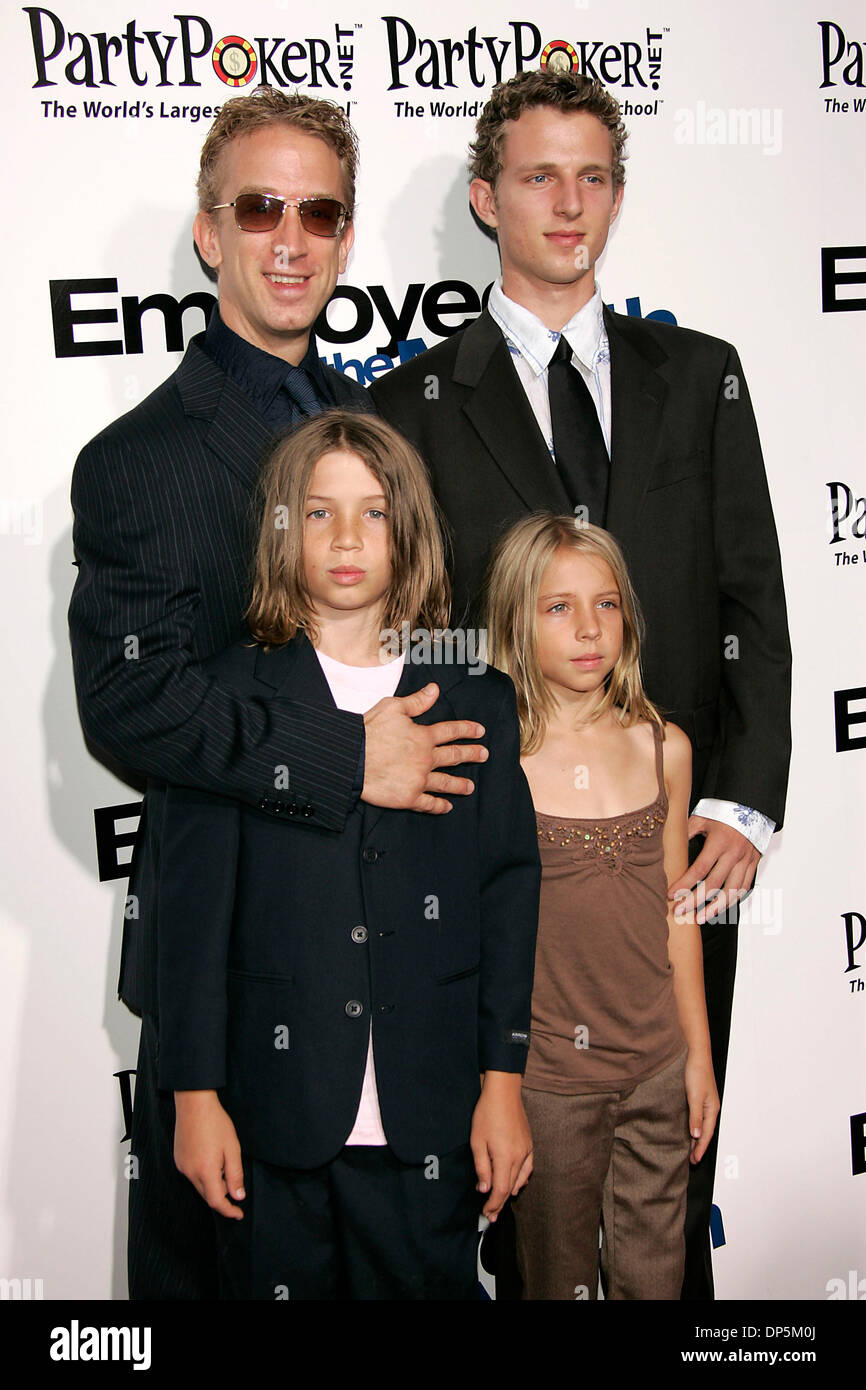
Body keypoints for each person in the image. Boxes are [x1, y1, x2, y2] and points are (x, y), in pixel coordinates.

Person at [371, 67, 791, 1298]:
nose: (567, 202)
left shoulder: (700, 375)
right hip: (510, 868)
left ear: (616, 200)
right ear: (485, 197)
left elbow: (750, 603)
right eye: (539, 176)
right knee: (531, 1213)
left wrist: (743, 801)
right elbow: (417, 636)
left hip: (681, 840)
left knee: (674, 1185)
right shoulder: (413, 404)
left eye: (591, 177)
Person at [68, 88, 487, 1301]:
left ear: (348, 239)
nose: (290, 238)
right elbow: (131, 708)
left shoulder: (380, 437)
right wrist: (350, 757)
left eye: (319, 211)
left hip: (402, 999)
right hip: (242, 988)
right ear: (210, 233)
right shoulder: (143, 460)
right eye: (260, 208)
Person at [155, 409, 541, 1299]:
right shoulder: (227, 695)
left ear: (409, 533)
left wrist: (503, 1083)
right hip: (272, 1117)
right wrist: (194, 1096)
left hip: (430, 1119)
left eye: (373, 514)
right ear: (281, 531)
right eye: (318, 513)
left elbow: (506, 900)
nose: (346, 539)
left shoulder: (476, 699)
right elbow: (193, 919)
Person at [484, 514, 718, 1299]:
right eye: (558, 607)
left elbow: (677, 914)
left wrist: (697, 1055)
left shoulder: (664, 745)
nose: (589, 628)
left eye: (607, 604)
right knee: (554, 1283)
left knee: (658, 1282)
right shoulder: (497, 762)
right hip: (549, 1085)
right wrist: (500, 1088)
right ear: (516, 618)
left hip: (658, 1071)